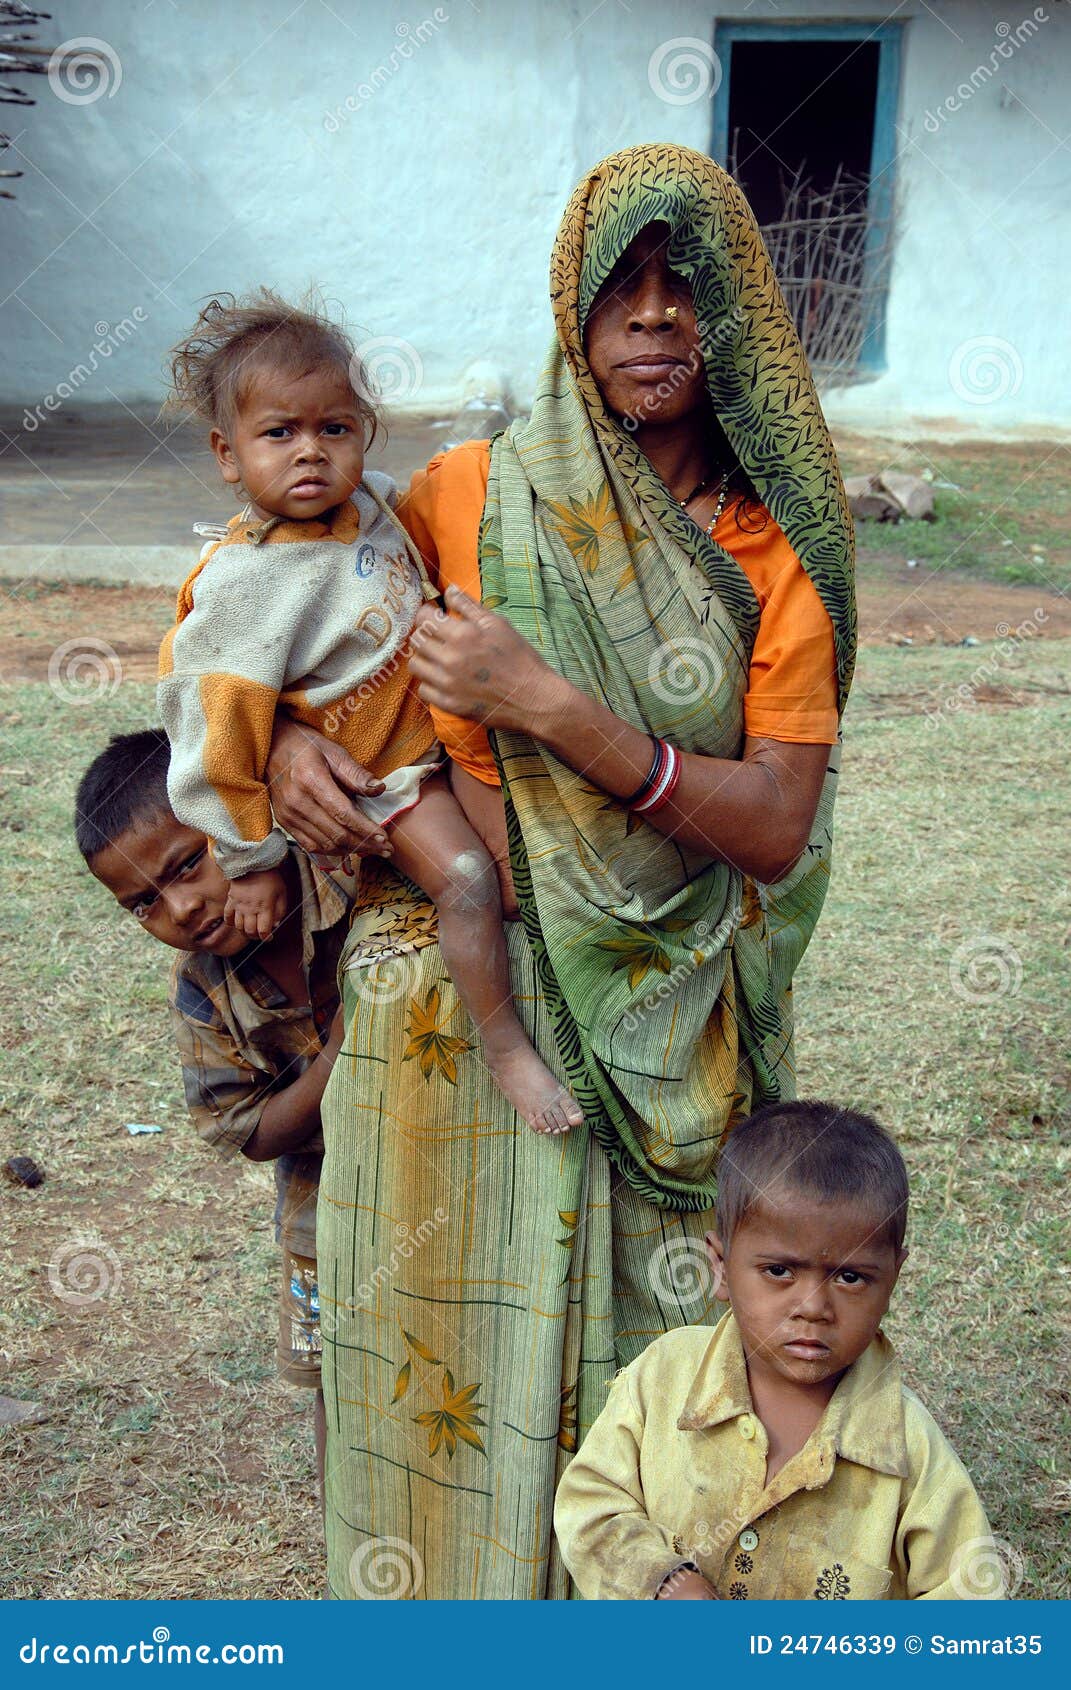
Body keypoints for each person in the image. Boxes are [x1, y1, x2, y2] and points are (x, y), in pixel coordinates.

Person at [262, 143, 857, 1599]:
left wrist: (555, 710)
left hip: (663, 1024)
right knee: (442, 1370)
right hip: (450, 1027)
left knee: (650, 1392)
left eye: (686, 289)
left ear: (742, 323)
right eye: (621, 290)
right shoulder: (468, 493)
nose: (654, 317)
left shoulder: (773, 547)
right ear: (568, 313)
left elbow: (774, 822)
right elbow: (286, 599)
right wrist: (276, 735)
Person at [158, 291, 582, 1136]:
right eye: (279, 434)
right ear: (228, 455)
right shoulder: (245, 586)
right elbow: (209, 725)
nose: (310, 452)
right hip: (384, 778)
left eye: (335, 429)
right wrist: (250, 860)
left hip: (451, 741)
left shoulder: (372, 509)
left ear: (365, 434)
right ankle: (506, 1051)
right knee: (466, 881)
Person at [553, 1100, 1001, 1601]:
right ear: (720, 1268)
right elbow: (591, 1502)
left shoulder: (909, 1448)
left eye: (851, 1277)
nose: (813, 1308)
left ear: (892, 1278)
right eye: (780, 1271)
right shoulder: (663, 1377)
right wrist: (664, 1582)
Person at [73, 727, 350, 1499]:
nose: (182, 909)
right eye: (143, 904)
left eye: (187, 865)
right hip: (319, 1216)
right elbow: (249, 1133)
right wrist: (339, 1059)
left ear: (233, 815)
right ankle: (348, 1551)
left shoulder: (344, 876)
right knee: (340, 1383)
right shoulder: (201, 992)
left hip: (436, 1169)